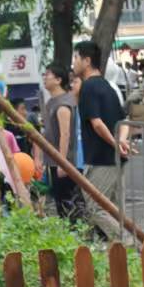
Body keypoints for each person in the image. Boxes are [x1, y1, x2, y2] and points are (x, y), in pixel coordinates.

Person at [74, 38, 133, 243]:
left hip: (101, 159)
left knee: (95, 207)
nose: (73, 62)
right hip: (114, 157)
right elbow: (124, 121)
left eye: (76, 57)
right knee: (113, 209)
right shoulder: (108, 87)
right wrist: (121, 142)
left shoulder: (88, 87)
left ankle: (128, 243)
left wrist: (116, 144)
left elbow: (97, 123)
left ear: (87, 61)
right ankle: (124, 256)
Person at [41, 66, 82, 220]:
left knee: (67, 204)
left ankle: (76, 237)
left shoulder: (64, 103)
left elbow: (65, 134)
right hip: (54, 161)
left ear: (59, 80)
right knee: (60, 202)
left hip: (65, 163)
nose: (44, 77)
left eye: (48, 75)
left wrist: (62, 162)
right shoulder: (51, 102)